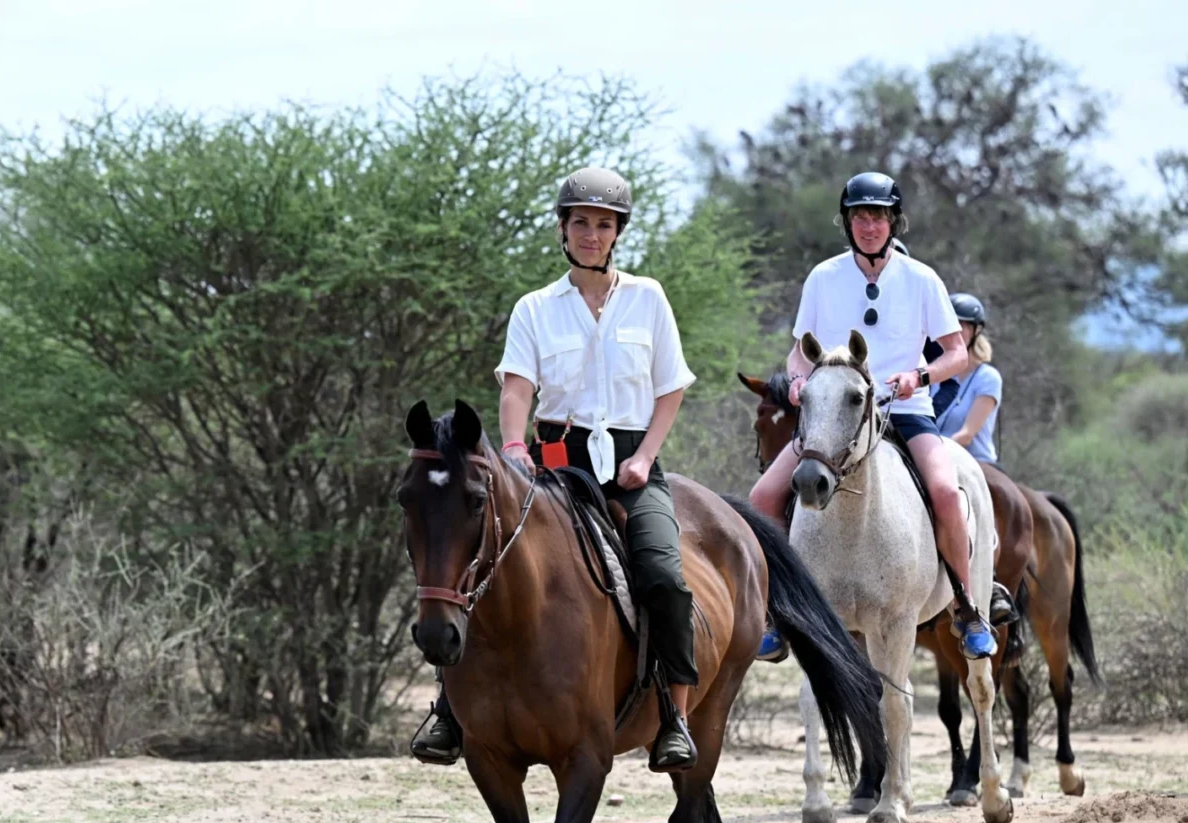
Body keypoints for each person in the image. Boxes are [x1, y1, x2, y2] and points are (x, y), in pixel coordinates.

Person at [411, 167, 701, 772]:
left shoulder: (649, 298)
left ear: (618, 232)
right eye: (581, 223)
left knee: (664, 578)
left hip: (631, 465)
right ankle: (449, 710)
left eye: (603, 224)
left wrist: (646, 457)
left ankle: (673, 717)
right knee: (483, 562)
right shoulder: (535, 308)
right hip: (554, 465)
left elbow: (670, 388)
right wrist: (515, 446)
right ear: (563, 229)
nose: (592, 234)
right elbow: (518, 388)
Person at [749, 172, 997, 662]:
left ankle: (967, 607)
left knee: (947, 492)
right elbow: (798, 352)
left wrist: (919, 377)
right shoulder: (823, 277)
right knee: (762, 497)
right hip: (834, 411)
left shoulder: (922, 279)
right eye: (859, 217)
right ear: (847, 222)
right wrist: (797, 380)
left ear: (893, 222)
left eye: (878, 217)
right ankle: (775, 612)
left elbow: (956, 354)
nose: (868, 226)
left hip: (903, 408)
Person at [931, 293, 1002, 466]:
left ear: (975, 331)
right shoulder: (936, 372)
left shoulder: (988, 377)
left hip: (976, 463)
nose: (952, 331)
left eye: (960, 325)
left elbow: (966, 435)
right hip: (935, 458)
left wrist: (932, 452)